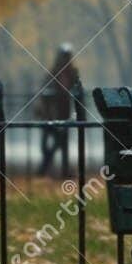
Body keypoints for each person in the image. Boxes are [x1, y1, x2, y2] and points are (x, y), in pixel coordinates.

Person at [36, 43, 81, 179]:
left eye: (67, 57)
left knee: (62, 142)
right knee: (48, 144)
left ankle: (54, 170)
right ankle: (46, 169)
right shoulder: (53, 73)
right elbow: (45, 92)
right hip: (49, 114)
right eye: (64, 57)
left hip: (64, 113)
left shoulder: (72, 73)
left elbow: (77, 90)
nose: (66, 59)